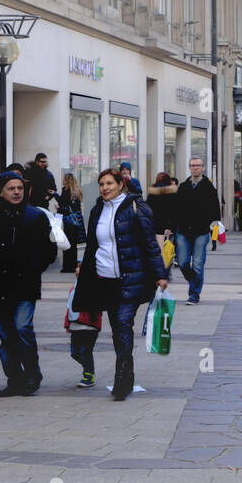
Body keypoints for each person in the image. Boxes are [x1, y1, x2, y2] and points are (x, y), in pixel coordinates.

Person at [70, 168, 168, 399]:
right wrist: (82, 266)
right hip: (106, 280)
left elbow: (150, 243)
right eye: (101, 184)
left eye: (109, 183)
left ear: (121, 185)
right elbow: (94, 244)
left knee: (123, 323)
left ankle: (122, 380)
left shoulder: (137, 208)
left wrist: (160, 274)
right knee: (117, 329)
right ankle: (127, 370)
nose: (105, 188)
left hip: (131, 278)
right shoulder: (97, 210)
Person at [0, 170, 57, 396]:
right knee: (6, 335)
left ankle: (33, 373)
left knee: (22, 326)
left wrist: (35, 267)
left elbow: (49, 251)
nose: (16, 192)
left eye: (20, 188)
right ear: (1, 191)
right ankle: (15, 378)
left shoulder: (36, 216)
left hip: (25, 284)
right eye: (11, 188)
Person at [174, 157, 221, 305]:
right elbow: (175, 209)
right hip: (183, 230)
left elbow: (215, 209)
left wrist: (214, 230)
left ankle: (194, 294)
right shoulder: (183, 187)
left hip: (201, 231)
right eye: (193, 165)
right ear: (189, 167)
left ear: (203, 168)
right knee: (182, 262)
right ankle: (194, 281)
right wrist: (171, 226)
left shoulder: (209, 187)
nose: (195, 168)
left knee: (198, 264)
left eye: (198, 165)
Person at [146, 172, 178, 280]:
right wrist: (172, 227)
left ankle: (157, 275)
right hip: (168, 229)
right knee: (168, 252)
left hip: (155, 228)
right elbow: (176, 212)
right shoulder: (173, 193)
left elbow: (147, 211)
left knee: (157, 253)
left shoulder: (152, 194)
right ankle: (166, 274)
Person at [57, 174, 86, 272]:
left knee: (68, 244)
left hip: (69, 221)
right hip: (74, 221)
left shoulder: (68, 191)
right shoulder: (75, 191)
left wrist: (59, 208)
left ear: (67, 180)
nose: (62, 180)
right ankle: (72, 265)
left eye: (64, 179)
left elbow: (67, 207)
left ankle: (67, 267)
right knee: (72, 244)